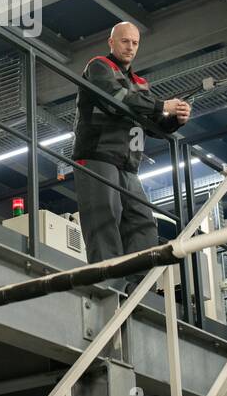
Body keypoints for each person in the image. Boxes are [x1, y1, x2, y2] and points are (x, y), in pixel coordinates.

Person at [72, 21, 190, 295]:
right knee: (105, 218)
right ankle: (108, 284)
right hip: (97, 156)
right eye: (125, 41)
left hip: (128, 165)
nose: (130, 47)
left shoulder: (140, 83)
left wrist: (175, 121)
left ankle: (139, 287)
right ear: (111, 42)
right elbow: (117, 99)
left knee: (143, 222)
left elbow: (152, 123)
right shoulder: (99, 66)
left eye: (135, 43)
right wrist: (162, 106)